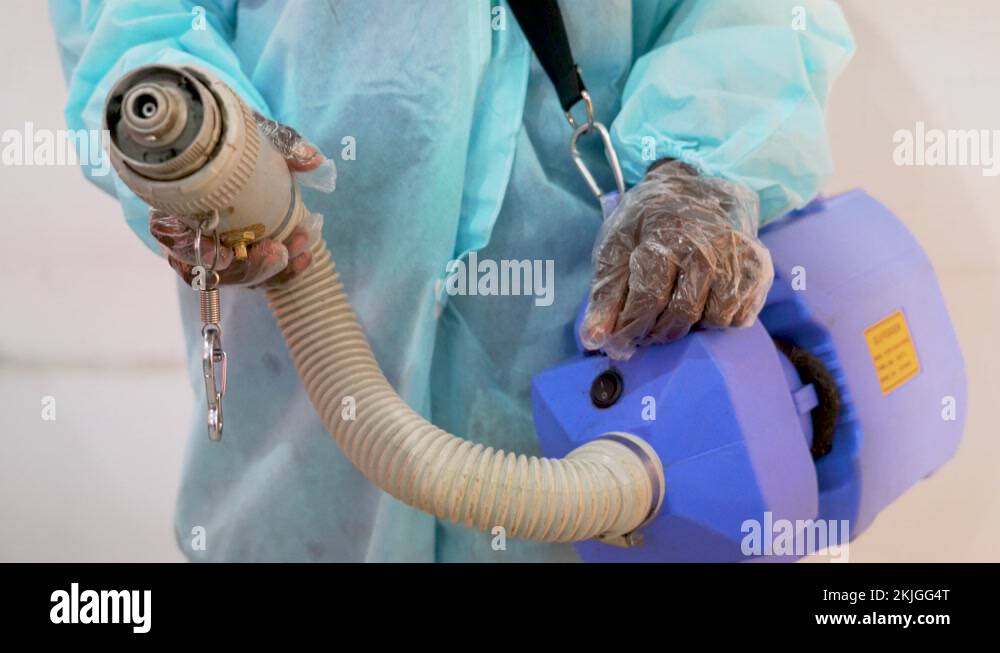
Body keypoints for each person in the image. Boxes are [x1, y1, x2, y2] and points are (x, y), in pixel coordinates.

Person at [49, 0, 854, 562]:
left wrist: (694, 165)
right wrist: (203, 148)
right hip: (298, 389)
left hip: (593, 401)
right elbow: (135, 20)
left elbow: (757, 17)